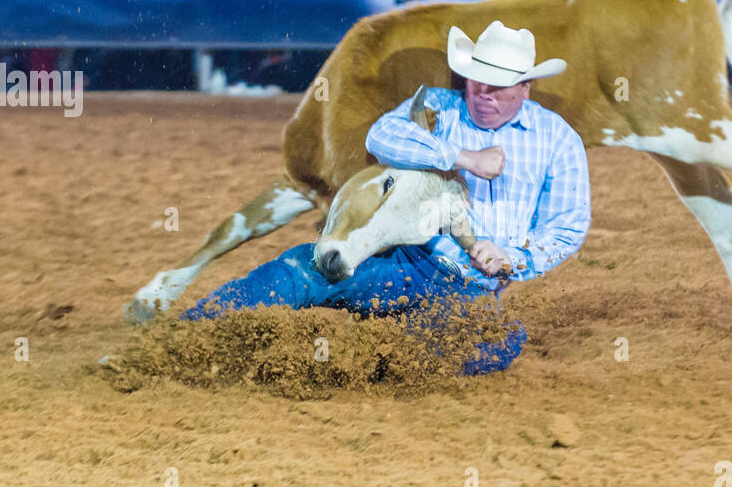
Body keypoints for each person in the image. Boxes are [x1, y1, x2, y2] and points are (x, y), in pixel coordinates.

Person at [183, 20, 592, 375]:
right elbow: (383, 136)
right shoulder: (439, 107)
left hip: (474, 285)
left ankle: (361, 360)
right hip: (407, 258)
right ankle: (186, 335)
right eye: (476, 78)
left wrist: (512, 258)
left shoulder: (558, 140)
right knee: (301, 269)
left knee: (497, 340)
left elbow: (566, 229)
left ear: (526, 87)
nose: (483, 92)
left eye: (499, 85)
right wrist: (462, 157)